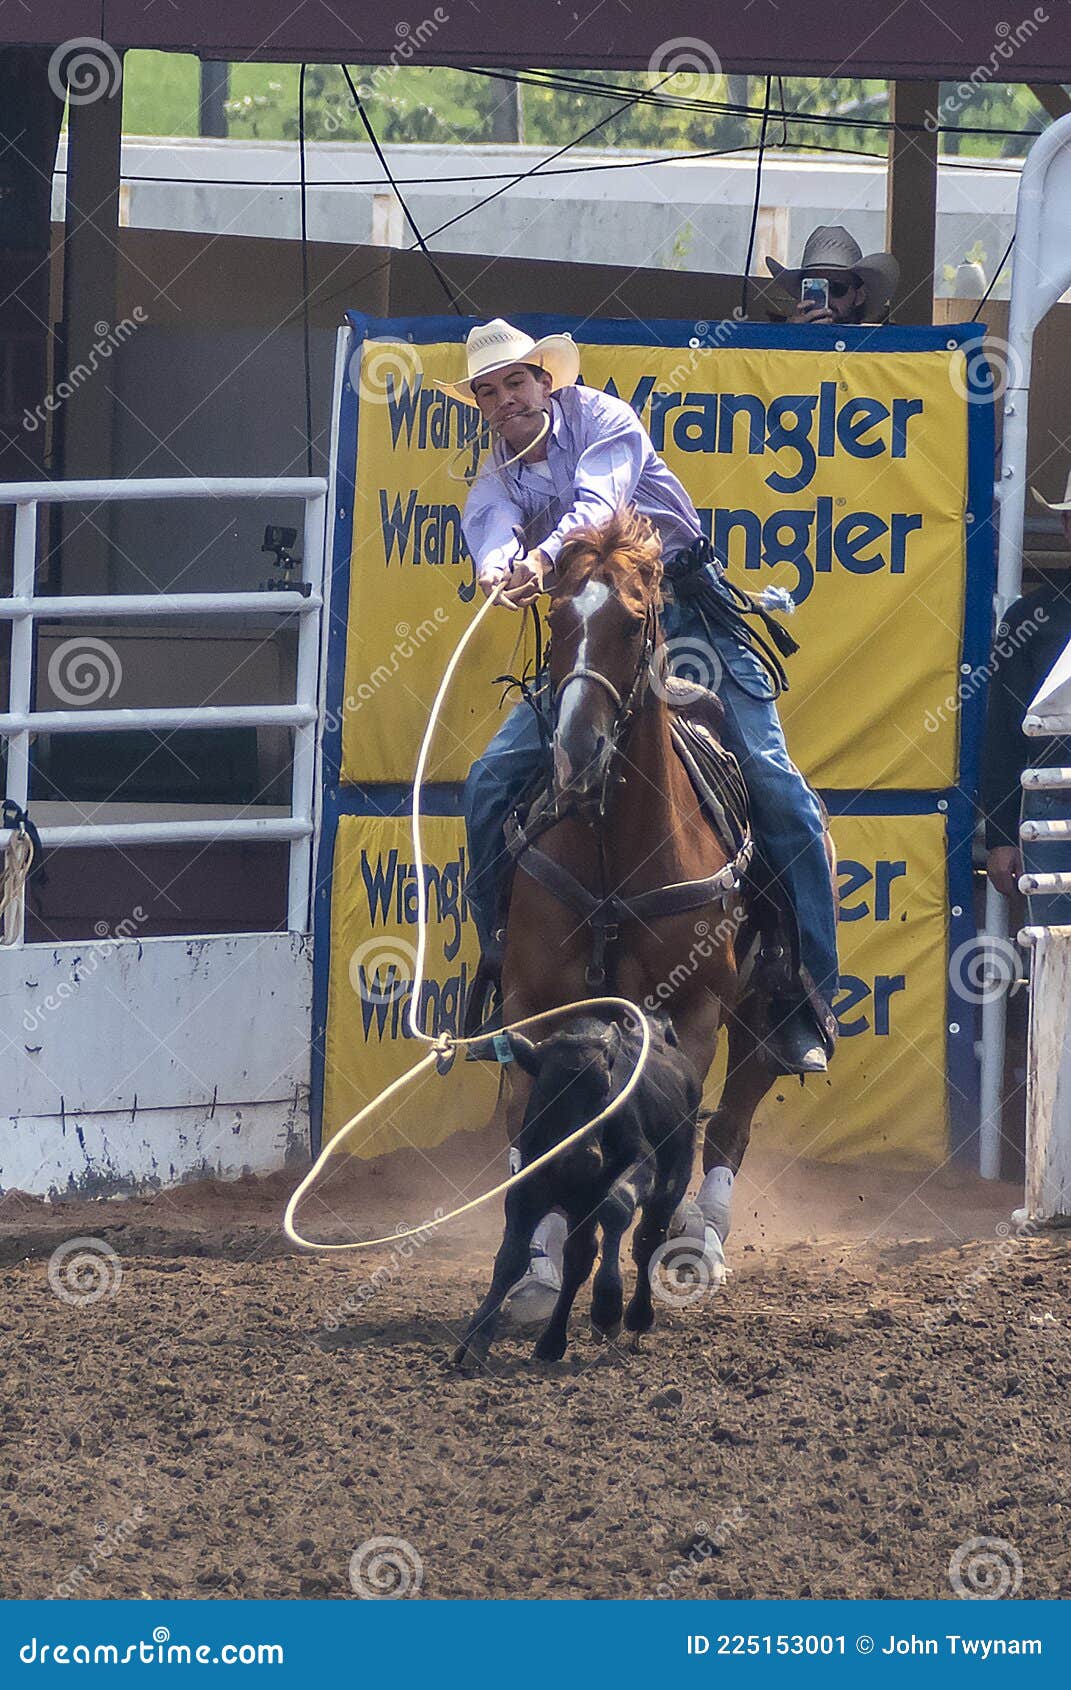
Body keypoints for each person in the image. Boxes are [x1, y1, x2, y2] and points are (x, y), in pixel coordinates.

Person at [437, 318, 841, 1324]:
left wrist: (546, 554)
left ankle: (798, 991)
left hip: (687, 613)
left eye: (514, 384)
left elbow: (599, 504)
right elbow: (490, 535)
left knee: (781, 791)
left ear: (546, 379)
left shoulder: (606, 420)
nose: (504, 403)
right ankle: (502, 958)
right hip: (587, 638)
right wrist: (504, 570)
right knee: (492, 785)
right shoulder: (491, 482)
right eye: (486, 393)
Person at [983, 471, 1071, 922]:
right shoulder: (1030, 620)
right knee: (1055, 950)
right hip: (1053, 809)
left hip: (1051, 809)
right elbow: (1003, 731)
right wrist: (1001, 835)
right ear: (1067, 528)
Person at [764, 224, 900, 327]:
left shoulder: (876, 350)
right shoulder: (782, 347)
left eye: (837, 288)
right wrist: (788, 338)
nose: (826, 298)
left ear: (859, 296)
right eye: (815, 288)